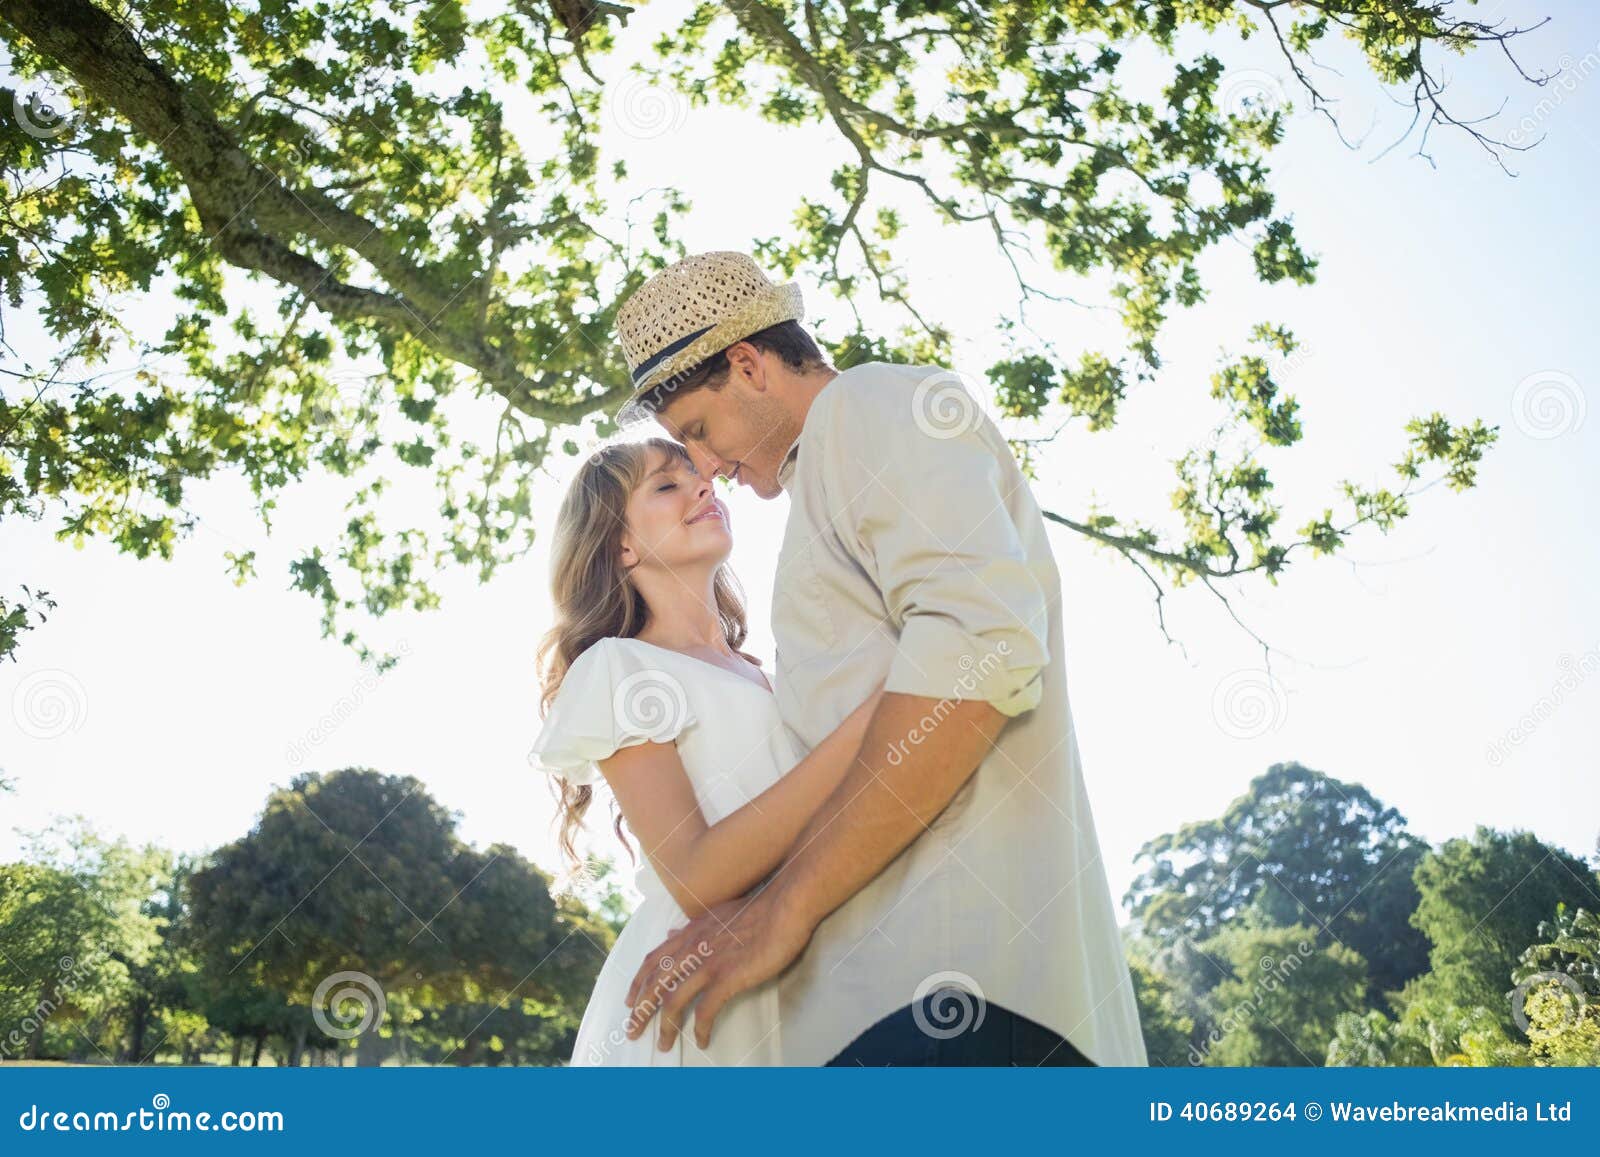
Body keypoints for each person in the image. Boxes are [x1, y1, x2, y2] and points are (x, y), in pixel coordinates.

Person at [612, 251, 1149, 1066]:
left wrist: (780, 911)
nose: (707, 466)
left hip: (957, 998)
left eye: (698, 432)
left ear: (749, 365)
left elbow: (983, 644)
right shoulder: (826, 476)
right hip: (894, 1008)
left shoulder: (866, 406)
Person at [527, 436, 883, 1065]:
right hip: (696, 998)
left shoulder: (772, 675)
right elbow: (694, 877)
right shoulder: (621, 667)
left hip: (806, 970)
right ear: (622, 545)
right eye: (667, 485)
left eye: (700, 477)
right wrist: (874, 724)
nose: (702, 486)